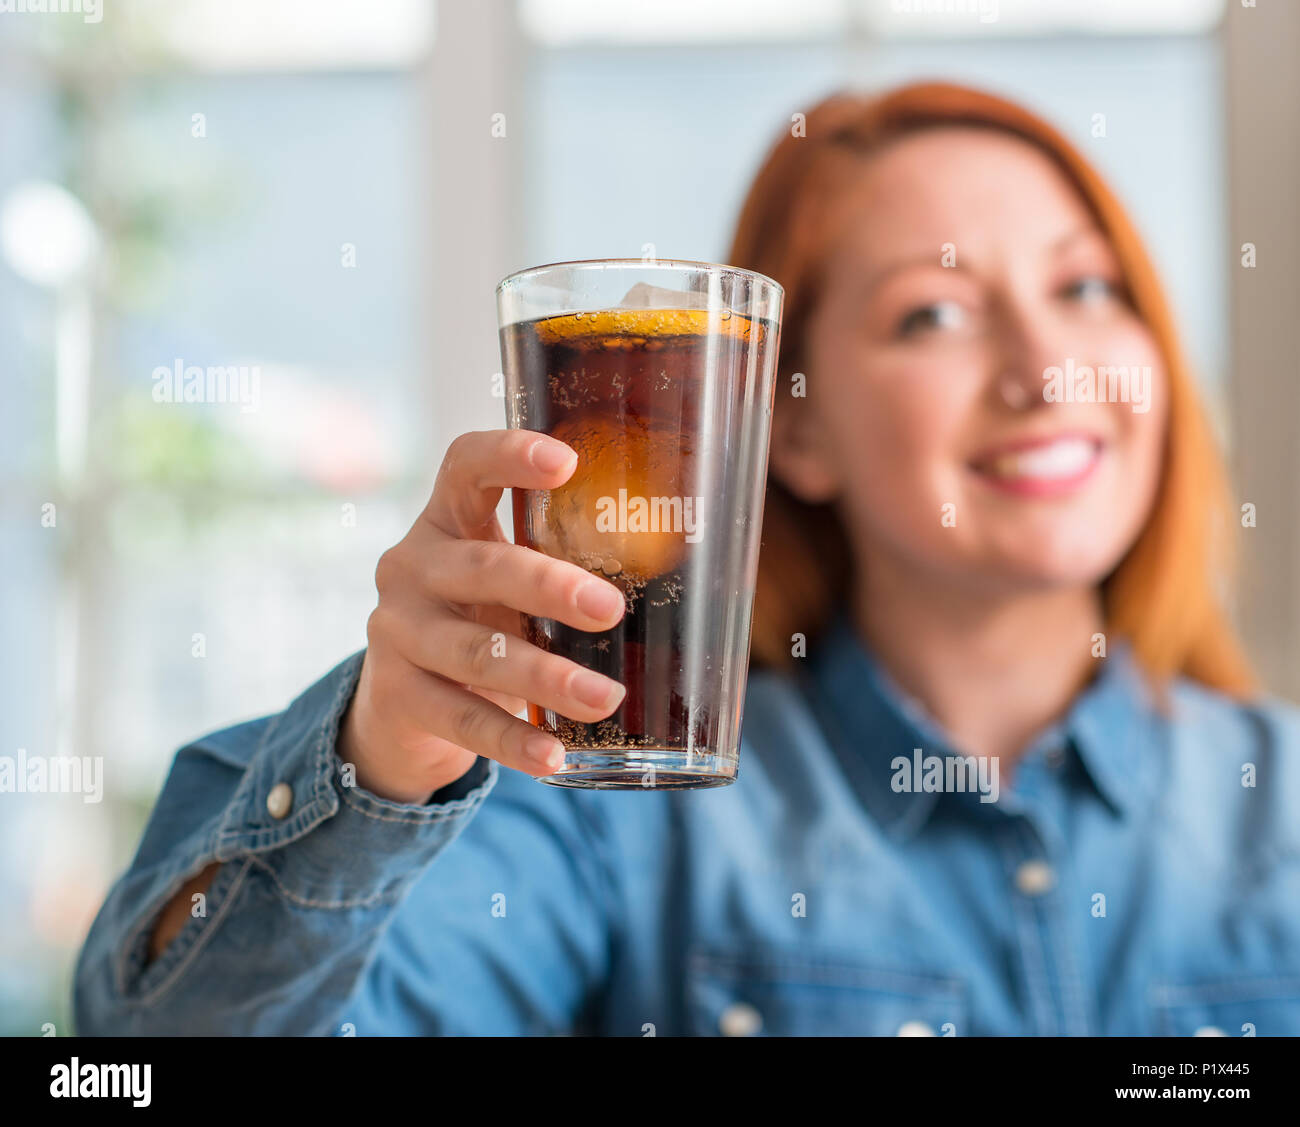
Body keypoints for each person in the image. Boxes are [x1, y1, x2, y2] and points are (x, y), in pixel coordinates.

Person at [74, 82, 1300, 1036]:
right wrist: (376, 763)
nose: (1047, 369)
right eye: (933, 313)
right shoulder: (615, 817)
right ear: (793, 417)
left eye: (1085, 287)